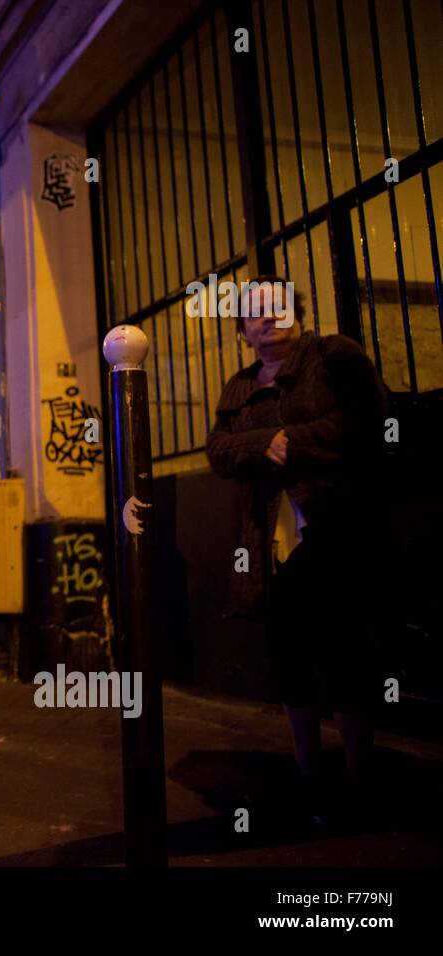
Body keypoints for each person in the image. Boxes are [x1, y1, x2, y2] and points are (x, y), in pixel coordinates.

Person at [207, 277, 389, 829]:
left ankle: (362, 781)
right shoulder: (239, 386)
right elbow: (217, 451)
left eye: (278, 307)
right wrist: (263, 443)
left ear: (300, 313)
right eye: (254, 314)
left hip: (337, 528)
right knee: (290, 657)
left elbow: (366, 419)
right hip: (272, 539)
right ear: (242, 330)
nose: (268, 319)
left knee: (345, 654)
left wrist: (295, 439)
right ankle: (310, 777)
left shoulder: (334, 355)